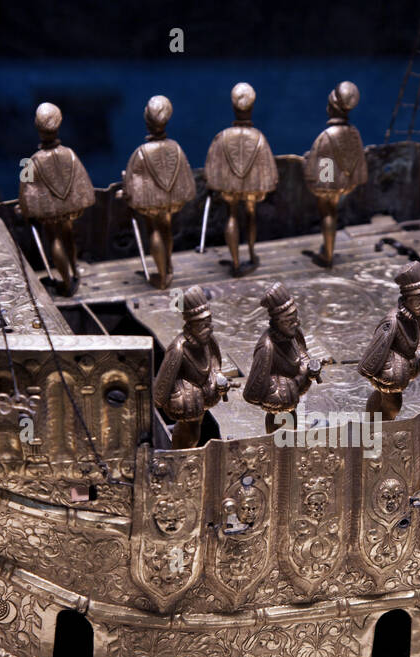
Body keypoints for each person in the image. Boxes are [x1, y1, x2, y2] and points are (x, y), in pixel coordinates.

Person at [18, 102, 95, 296]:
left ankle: (67, 282)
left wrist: (25, 208)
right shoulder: (69, 154)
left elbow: (26, 189)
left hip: (48, 209)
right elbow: (81, 180)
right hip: (68, 205)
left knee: (54, 239)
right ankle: (75, 270)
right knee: (68, 232)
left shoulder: (32, 161)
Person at [204, 83, 278, 276]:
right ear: (251, 107)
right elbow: (269, 170)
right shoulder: (258, 137)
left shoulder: (222, 137)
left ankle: (236, 263)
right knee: (251, 214)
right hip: (252, 186)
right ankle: (252, 255)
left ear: (233, 106)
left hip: (229, 186)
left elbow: (211, 168)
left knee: (232, 215)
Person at [123, 95, 195, 289]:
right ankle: (168, 267)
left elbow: (132, 180)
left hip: (149, 199)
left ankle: (162, 276)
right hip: (169, 197)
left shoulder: (141, 152)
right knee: (166, 228)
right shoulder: (175, 148)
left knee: (154, 230)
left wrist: (127, 192)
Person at [153, 285, 229, 448]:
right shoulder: (179, 349)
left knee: (197, 428)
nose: (208, 329)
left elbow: (215, 367)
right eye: (203, 326)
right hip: (188, 403)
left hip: (202, 401)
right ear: (190, 326)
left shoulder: (209, 341)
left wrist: (220, 381)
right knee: (190, 432)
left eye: (209, 323)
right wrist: (182, 393)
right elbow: (159, 394)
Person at [358, 261, 420, 421]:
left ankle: (376, 430)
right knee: (392, 405)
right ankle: (377, 433)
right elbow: (370, 361)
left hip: (404, 372)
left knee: (389, 405)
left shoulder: (416, 316)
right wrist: (387, 372)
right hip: (391, 376)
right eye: (419, 300)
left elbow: (418, 343)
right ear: (407, 299)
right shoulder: (392, 322)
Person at [304, 81, 367, 268]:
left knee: (328, 211)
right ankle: (329, 248)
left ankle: (328, 255)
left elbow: (325, 171)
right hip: (345, 181)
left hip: (330, 180)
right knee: (334, 211)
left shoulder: (328, 135)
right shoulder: (354, 133)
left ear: (332, 108)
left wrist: (310, 166)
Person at [243, 282, 320, 432]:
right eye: (289, 321)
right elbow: (252, 393)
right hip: (279, 404)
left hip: (291, 403)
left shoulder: (294, 333)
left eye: (295, 318)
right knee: (279, 440)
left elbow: (302, 354)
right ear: (276, 323)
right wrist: (286, 387)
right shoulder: (267, 347)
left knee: (291, 436)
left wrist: (309, 367)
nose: (296, 323)